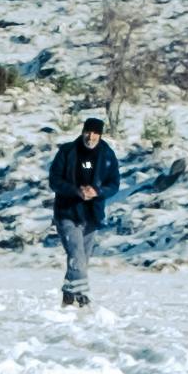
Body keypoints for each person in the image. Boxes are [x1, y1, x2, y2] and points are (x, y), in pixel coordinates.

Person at [45, 109, 117, 307]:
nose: (90, 137)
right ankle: (82, 296)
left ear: (100, 135)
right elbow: (54, 180)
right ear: (82, 131)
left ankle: (68, 294)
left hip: (91, 214)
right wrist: (76, 191)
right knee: (76, 254)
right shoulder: (67, 151)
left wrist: (97, 191)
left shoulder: (107, 154)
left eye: (95, 133)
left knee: (83, 259)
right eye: (88, 132)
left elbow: (114, 184)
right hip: (67, 212)